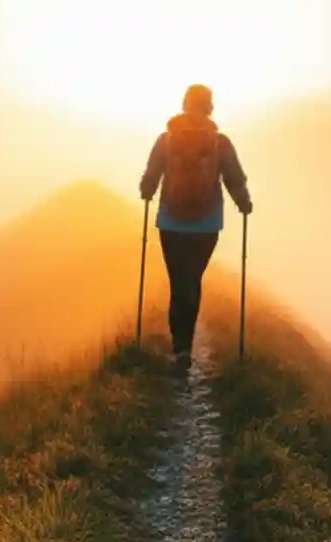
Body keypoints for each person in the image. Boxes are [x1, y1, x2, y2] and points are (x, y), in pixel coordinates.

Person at [140, 84, 252, 371]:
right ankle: (184, 346)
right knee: (192, 280)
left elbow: (151, 174)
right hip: (206, 223)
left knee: (178, 283)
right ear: (210, 107)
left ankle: (180, 349)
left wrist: (147, 190)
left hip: (171, 220)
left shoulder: (166, 140)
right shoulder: (220, 142)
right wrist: (244, 202)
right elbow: (233, 177)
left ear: (184, 104)